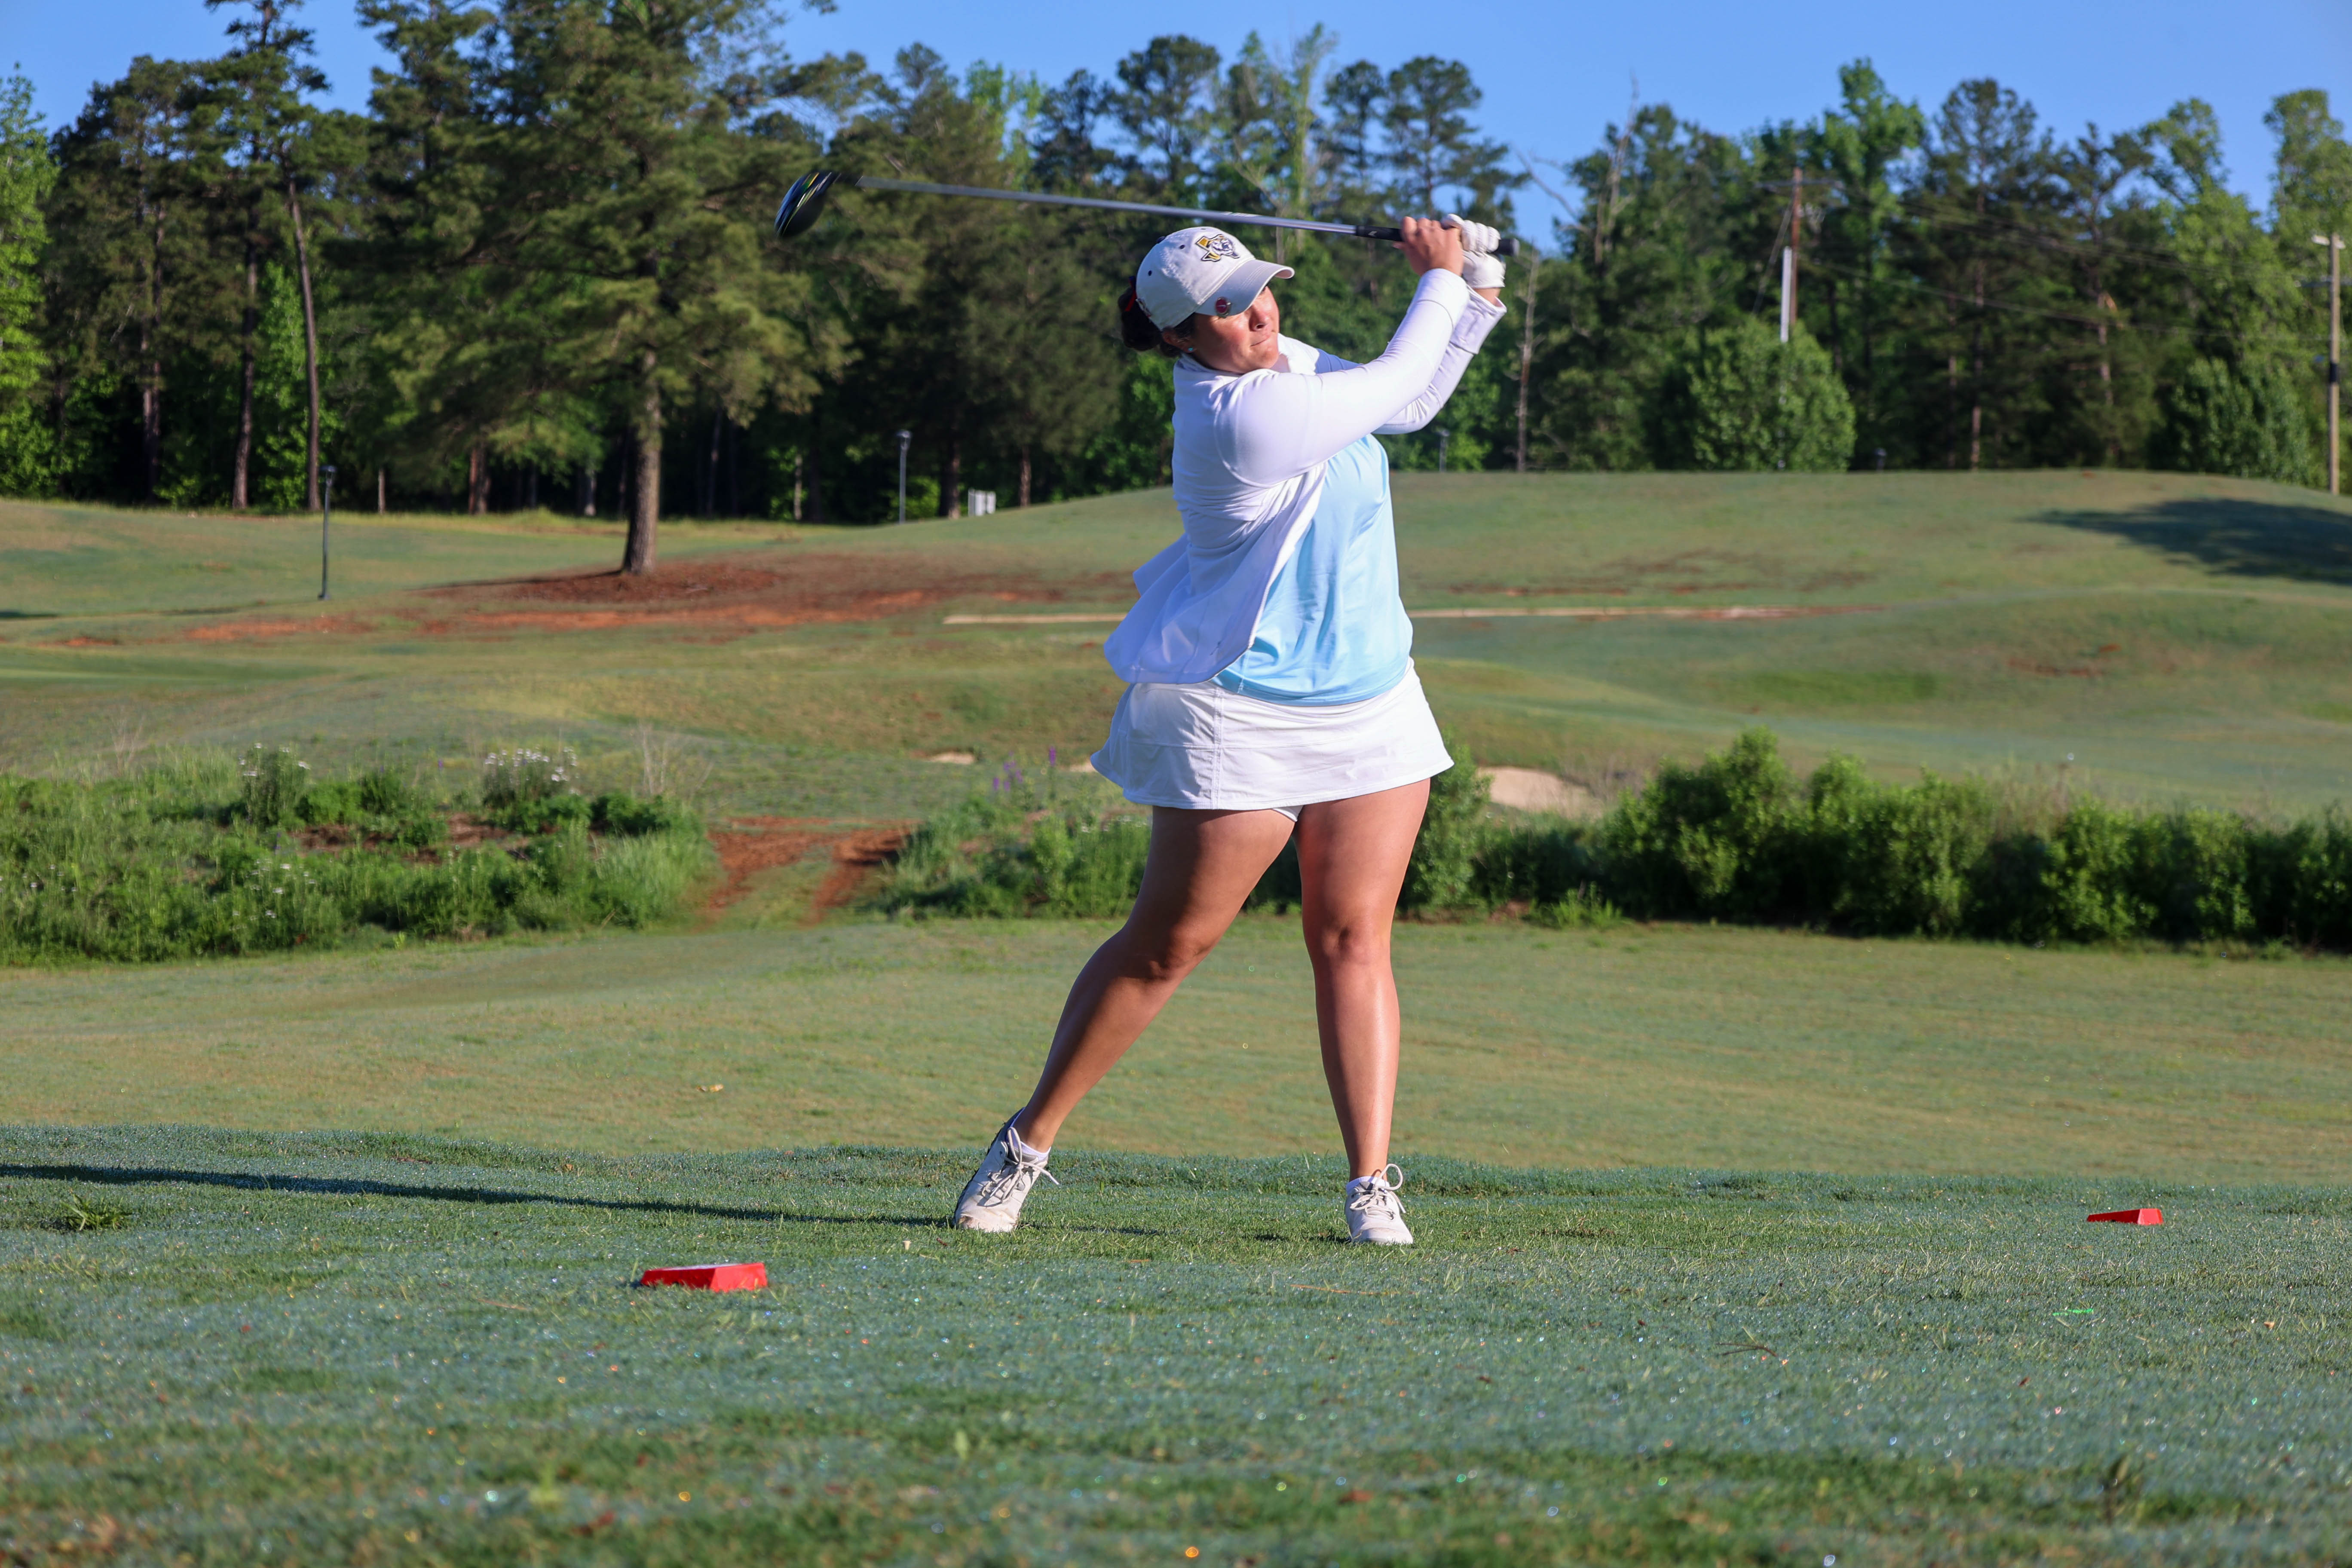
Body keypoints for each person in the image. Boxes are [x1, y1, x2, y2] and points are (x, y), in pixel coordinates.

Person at [951, 215, 1508, 1245]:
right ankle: (1025, 1146)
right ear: (1179, 335)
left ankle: (1371, 1185)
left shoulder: (1285, 357)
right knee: (1170, 946)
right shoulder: (1230, 420)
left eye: (1257, 288)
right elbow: (1390, 382)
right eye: (1225, 306)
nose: (1256, 312)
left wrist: (1477, 283)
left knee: (1354, 941)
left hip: (1372, 700)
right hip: (1241, 710)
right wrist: (1439, 278)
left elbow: (1417, 402)